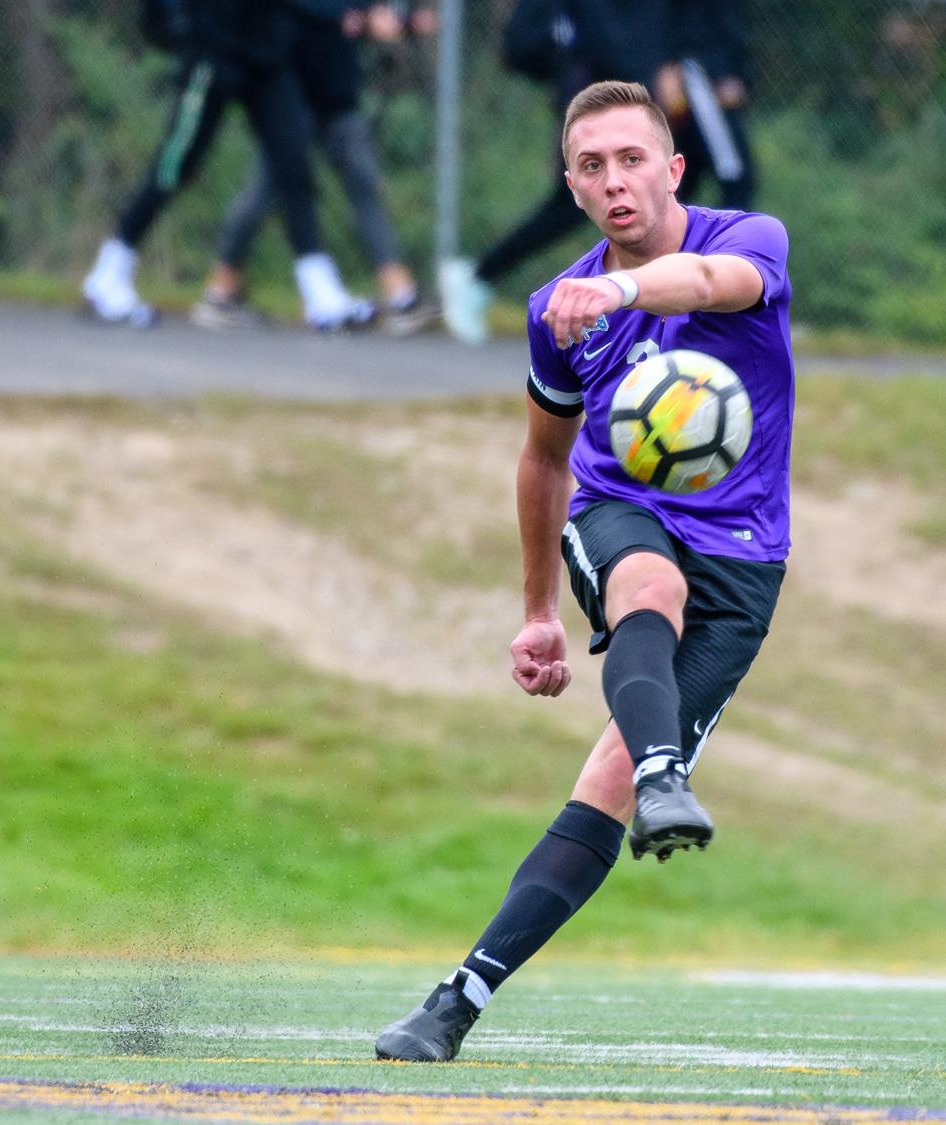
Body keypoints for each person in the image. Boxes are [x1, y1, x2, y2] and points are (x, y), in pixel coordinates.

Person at [374, 79, 794, 1063]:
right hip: (619, 512)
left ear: (673, 167)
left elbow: (706, 286)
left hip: (744, 554)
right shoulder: (556, 312)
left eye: (632, 159)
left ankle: (454, 1001)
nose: (615, 181)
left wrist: (617, 288)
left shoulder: (752, 238)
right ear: (570, 186)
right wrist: (533, 611)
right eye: (592, 166)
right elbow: (543, 459)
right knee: (650, 588)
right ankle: (665, 771)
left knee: (603, 782)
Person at [81, 0, 374, 331]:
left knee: (295, 168)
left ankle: (321, 294)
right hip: (211, 56)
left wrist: (356, 11)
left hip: (267, 56)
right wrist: (182, 31)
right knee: (174, 167)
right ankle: (109, 273)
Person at [192, 1, 432, 332]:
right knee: (266, 190)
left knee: (364, 182)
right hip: (291, 98)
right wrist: (359, 16)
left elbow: (359, 20)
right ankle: (220, 290)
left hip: (336, 97)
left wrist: (401, 22)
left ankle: (401, 296)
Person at [437, 0, 667, 344]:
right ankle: (478, 274)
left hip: (635, 91)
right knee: (573, 206)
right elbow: (596, 35)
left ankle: (670, 304)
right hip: (600, 96)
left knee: (664, 194)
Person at [663, 0, 756, 210]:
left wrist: (739, 74)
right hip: (698, 74)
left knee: (684, 178)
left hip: (711, 72)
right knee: (735, 180)